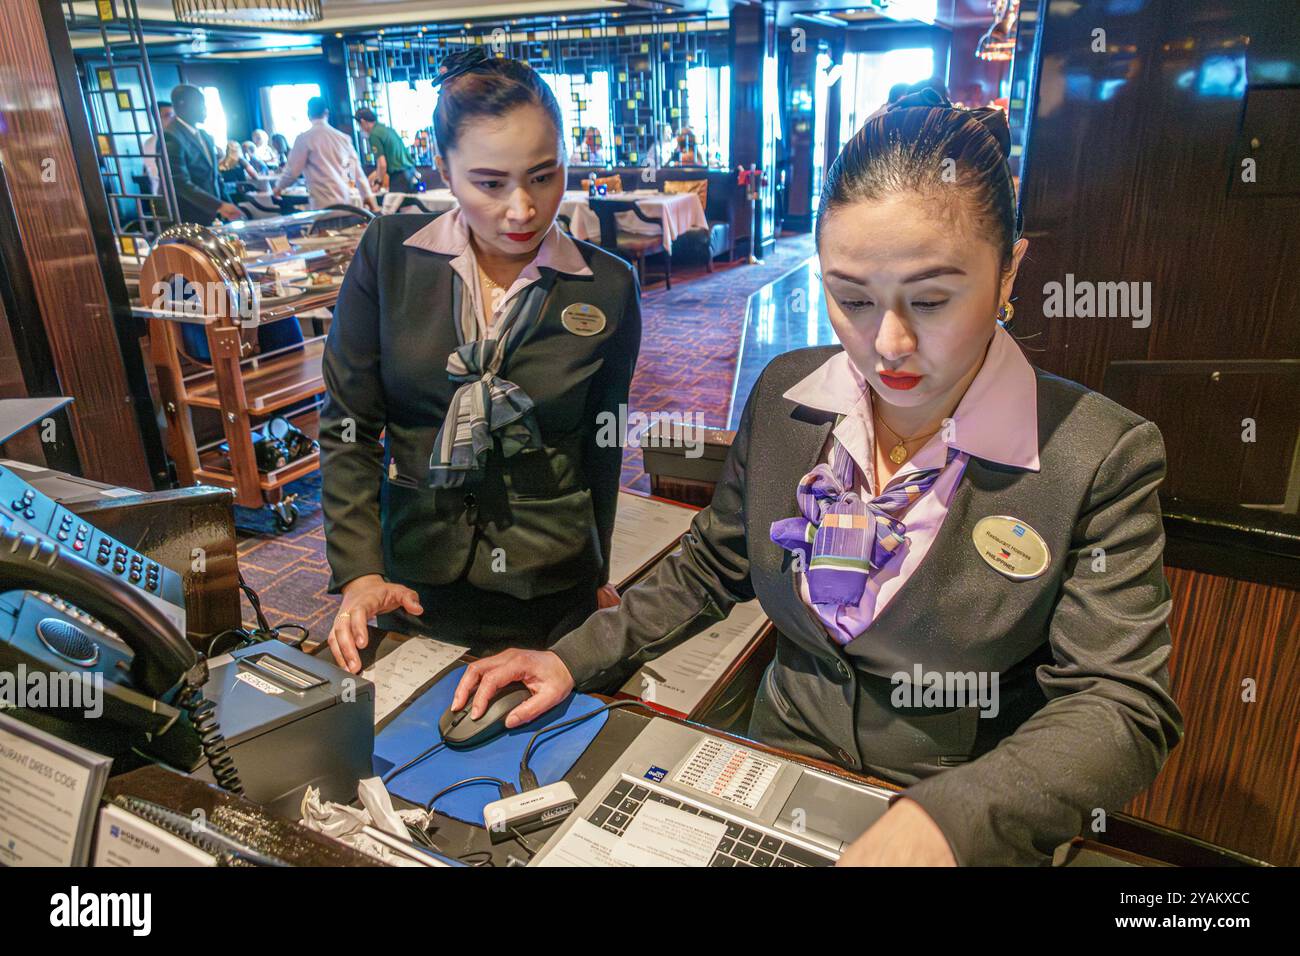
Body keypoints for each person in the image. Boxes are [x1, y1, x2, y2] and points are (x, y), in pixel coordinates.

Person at [453, 88, 1184, 867]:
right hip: (776, 770)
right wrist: (574, 655)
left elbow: (1121, 703)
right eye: (851, 298)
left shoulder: (1095, 454)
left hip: (964, 817)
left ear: (1009, 272)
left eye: (933, 299)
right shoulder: (788, 395)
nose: (889, 344)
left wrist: (950, 819)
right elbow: (712, 564)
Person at [320, 48, 641, 673]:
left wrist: (597, 570)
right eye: (490, 184)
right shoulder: (390, 256)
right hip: (413, 576)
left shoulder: (606, 284)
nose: (521, 210)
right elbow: (348, 425)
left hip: (549, 579)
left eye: (545, 177)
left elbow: (603, 444)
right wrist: (359, 571)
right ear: (444, 168)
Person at [274, 97, 378, 212]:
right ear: (326, 113)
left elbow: (292, 171)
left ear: (308, 114)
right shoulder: (343, 138)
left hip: (322, 204)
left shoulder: (303, 139)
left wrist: (278, 187)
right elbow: (356, 173)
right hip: (346, 201)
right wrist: (368, 197)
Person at [164, 84, 242, 224]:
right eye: (201, 104)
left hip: (212, 214)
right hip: (189, 217)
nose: (205, 109)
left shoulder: (205, 136)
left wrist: (227, 204)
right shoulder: (171, 136)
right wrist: (218, 205)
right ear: (183, 105)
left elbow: (214, 177)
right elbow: (180, 183)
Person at [353, 107, 420, 194]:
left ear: (362, 121)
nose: (360, 129)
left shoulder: (374, 135)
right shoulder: (388, 130)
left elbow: (382, 164)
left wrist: (378, 183)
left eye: (359, 125)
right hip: (411, 173)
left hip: (399, 178)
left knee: (392, 206)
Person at [142, 99, 173, 196]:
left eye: (174, 115)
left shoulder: (174, 137)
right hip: (166, 195)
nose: (173, 119)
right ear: (157, 119)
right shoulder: (152, 142)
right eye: (168, 115)